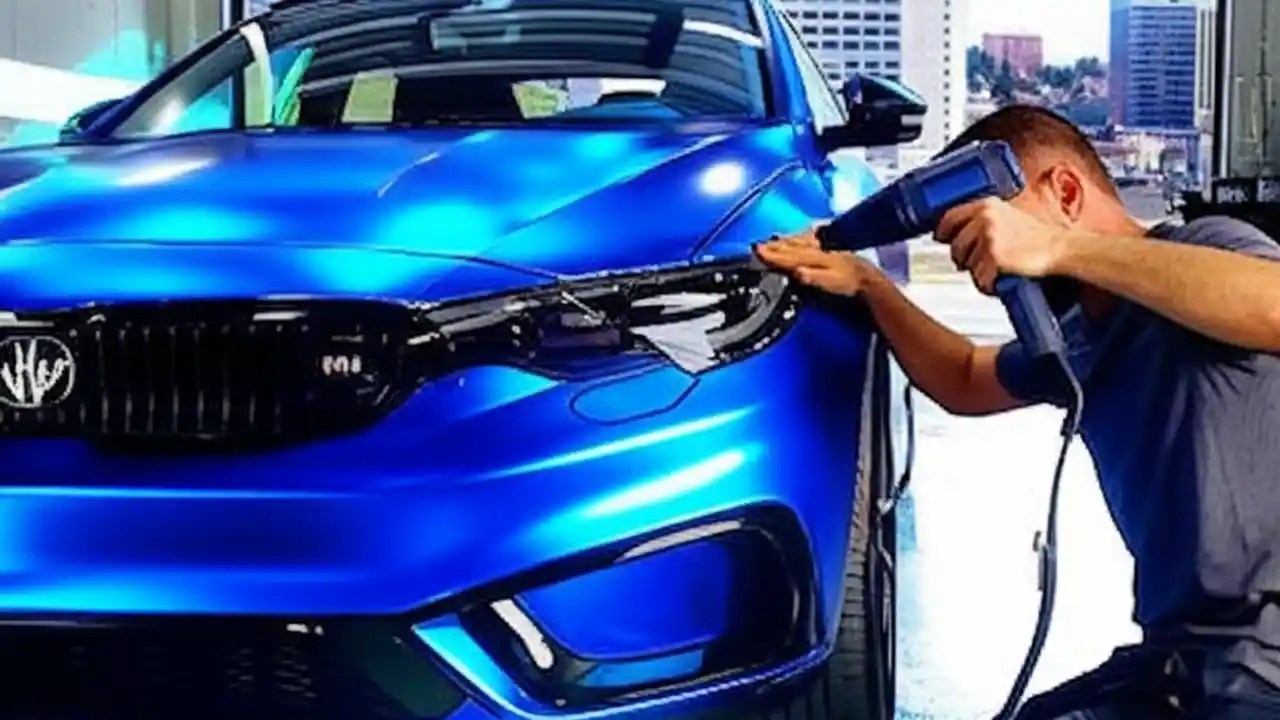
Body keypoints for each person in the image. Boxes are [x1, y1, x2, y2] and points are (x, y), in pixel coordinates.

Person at [756, 104, 1280, 718]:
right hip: (1184, 662)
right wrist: (871, 287)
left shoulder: (1208, 247)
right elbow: (965, 377)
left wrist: (1058, 248)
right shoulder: (1081, 336)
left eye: (992, 228)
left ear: (1064, 190)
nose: (983, 266)